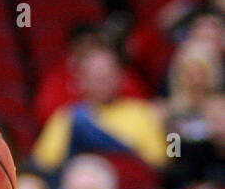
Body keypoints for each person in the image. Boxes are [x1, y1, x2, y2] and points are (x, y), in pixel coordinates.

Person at [31, 44, 167, 172]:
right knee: (78, 122)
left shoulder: (141, 112)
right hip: (83, 185)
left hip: (128, 183)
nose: (102, 83)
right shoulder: (66, 116)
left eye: (107, 77)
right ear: (81, 80)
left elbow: (158, 161)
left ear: (119, 77)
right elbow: (45, 164)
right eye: (96, 78)